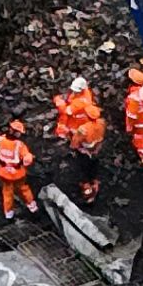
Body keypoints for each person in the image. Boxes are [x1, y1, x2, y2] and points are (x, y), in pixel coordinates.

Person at [54, 76, 105, 204]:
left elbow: (75, 141)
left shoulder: (83, 129)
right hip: (96, 148)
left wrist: (58, 101)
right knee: (94, 166)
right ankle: (94, 182)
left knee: (82, 167)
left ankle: (87, 189)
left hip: (84, 149)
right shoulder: (101, 123)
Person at [0, 118, 38, 218]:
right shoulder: (19, 145)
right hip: (18, 173)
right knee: (24, 189)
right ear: (15, 132)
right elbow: (27, 158)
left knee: (7, 194)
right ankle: (32, 206)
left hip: (4, 172)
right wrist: (28, 159)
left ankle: (9, 213)